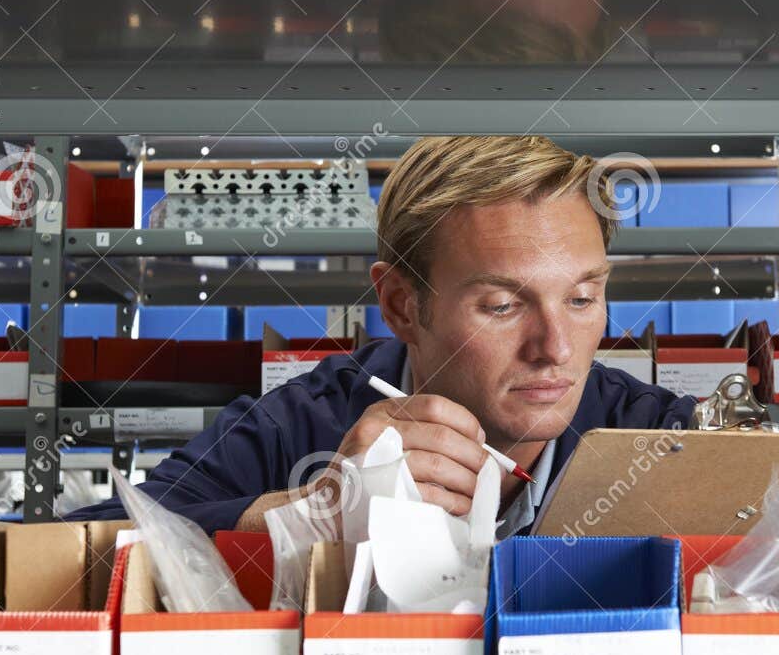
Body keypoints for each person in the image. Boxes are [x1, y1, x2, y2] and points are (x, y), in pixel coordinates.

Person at [69, 135, 694, 538]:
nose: (555, 348)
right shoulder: (303, 426)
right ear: (401, 305)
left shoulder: (655, 437)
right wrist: (312, 514)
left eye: (582, 299)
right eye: (503, 306)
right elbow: (80, 544)